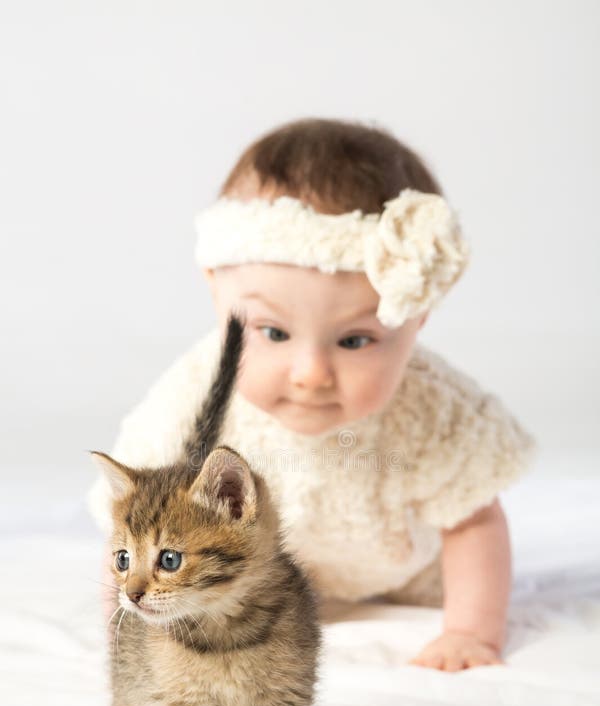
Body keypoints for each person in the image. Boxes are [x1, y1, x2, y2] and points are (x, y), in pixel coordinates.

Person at [88, 117, 538, 672]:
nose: (311, 373)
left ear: (416, 319)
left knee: (459, 559)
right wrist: (126, 635)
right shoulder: (196, 392)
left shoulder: (432, 408)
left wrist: (472, 632)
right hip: (247, 578)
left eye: (355, 339)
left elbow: (474, 520)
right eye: (273, 333)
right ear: (216, 290)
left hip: (404, 573)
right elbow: (136, 521)